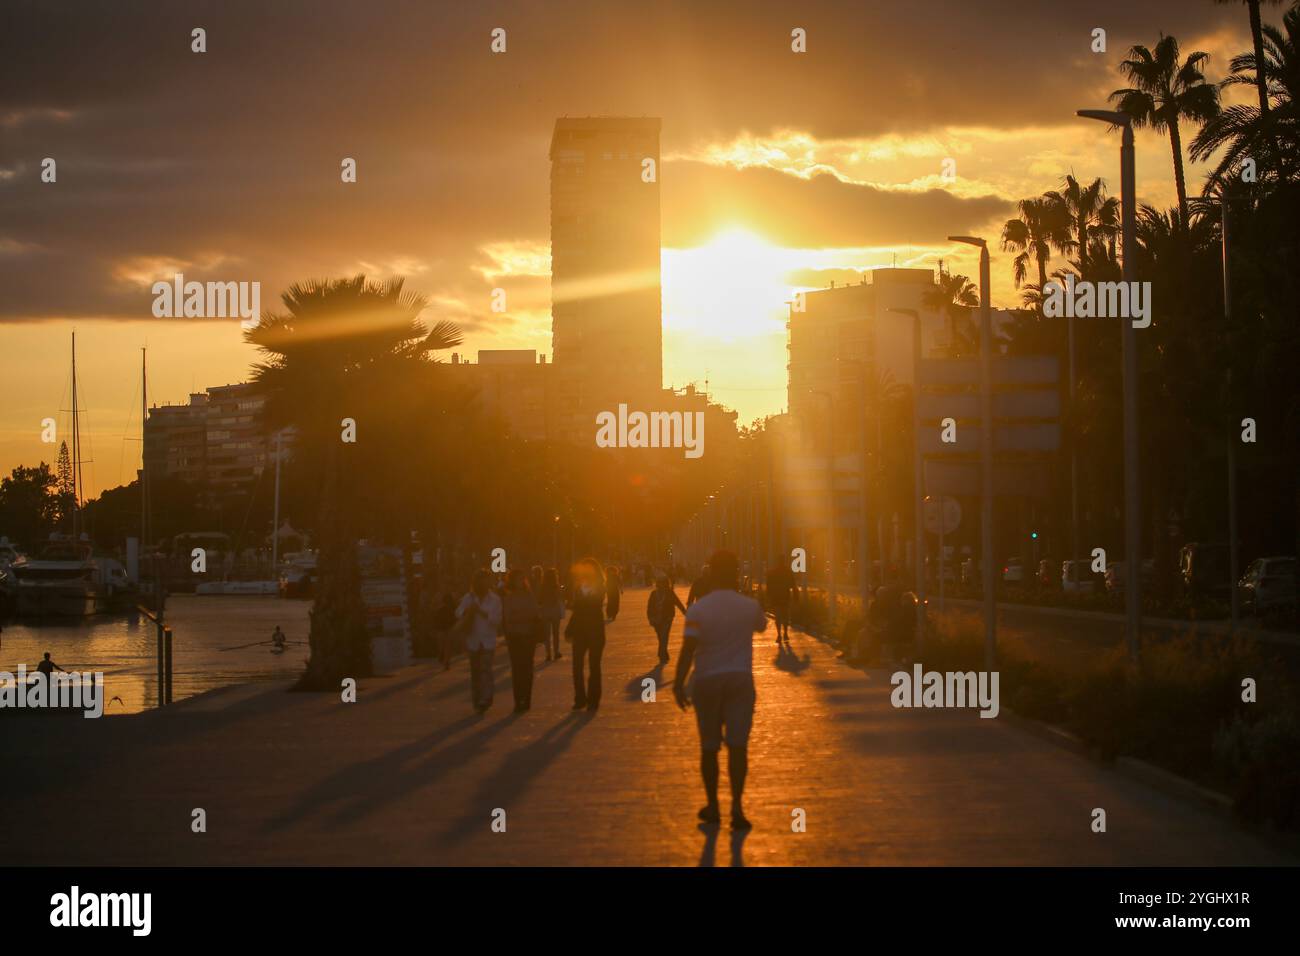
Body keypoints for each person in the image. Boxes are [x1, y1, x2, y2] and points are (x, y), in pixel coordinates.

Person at [674, 550, 767, 832]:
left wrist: (678, 683)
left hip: (707, 681)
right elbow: (762, 626)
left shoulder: (698, 609)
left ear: (711, 573)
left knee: (709, 747)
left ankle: (713, 806)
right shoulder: (749, 606)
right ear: (736, 573)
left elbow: (688, 648)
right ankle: (737, 807)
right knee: (738, 746)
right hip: (740, 680)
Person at [457, 569, 502, 713]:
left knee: (485, 670)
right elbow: (457, 612)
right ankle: (477, 700)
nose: (482, 583)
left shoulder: (495, 599)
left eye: (485, 580)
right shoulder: (468, 597)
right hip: (473, 641)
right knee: (475, 672)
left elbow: (496, 620)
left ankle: (486, 698)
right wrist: (468, 611)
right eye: (479, 580)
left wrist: (480, 612)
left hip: (488, 641)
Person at [565, 558, 607, 711]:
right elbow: (577, 611)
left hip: (595, 630)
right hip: (580, 631)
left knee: (594, 666)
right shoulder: (578, 587)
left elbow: (594, 603)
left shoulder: (600, 587)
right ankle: (580, 698)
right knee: (577, 666)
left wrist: (578, 603)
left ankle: (593, 699)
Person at [502, 569, 541, 713]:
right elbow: (508, 619)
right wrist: (524, 617)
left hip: (528, 636)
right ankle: (518, 700)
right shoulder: (508, 598)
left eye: (522, 578)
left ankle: (527, 699)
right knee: (517, 669)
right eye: (518, 578)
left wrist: (519, 617)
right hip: (515, 637)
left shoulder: (529, 596)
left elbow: (535, 614)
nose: (520, 581)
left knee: (528, 668)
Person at [647, 574, 687, 665]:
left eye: (663, 583)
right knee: (660, 637)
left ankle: (661, 654)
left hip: (667, 618)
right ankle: (664, 654)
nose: (661, 585)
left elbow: (678, 603)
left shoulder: (670, 593)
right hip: (656, 619)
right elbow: (649, 607)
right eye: (659, 583)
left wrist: (685, 612)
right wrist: (650, 617)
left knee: (664, 636)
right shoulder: (654, 594)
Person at [765, 559, 796, 645]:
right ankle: (785, 633)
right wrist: (796, 596)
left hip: (776, 597)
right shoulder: (788, 572)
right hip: (785, 597)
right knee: (785, 615)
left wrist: (768, 597)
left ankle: (779, 635)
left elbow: (768, 585)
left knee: (778, 617)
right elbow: (793, 584)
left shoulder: (772, 572)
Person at [538, 567, 565, 662]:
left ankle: (548, 653)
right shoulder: (556, 586)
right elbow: (560, 597)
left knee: (547, 634)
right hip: (555, 611)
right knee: (555, 633)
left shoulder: (542, 586)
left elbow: (540, 599)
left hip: (545, 610)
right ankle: (556, 652)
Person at [433, 590, 459, 670]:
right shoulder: (453, 608)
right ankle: (446, 661)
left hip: (442, 628)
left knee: (443, 645)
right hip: (448, 628)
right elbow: (455, 618)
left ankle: (444, 659)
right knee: (447, 645)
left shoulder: (440, 609)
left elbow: (436, 620)